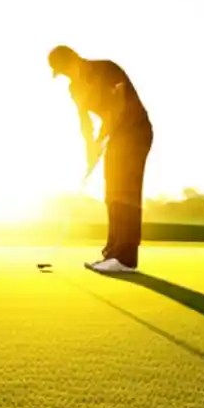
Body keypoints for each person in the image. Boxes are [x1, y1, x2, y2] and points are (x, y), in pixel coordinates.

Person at [48, 45, 154, 273]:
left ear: (73, 60)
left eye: (65, 70)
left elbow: (119, 104)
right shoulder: (75, 88)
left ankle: (125, 259)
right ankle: (112, 253)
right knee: (112, 192)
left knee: (126, 192)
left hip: (135, 131)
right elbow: (84, 122)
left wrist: (103, 136)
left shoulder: (105, 68)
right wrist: (90, 148)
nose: (66, 76)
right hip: (114, 136)